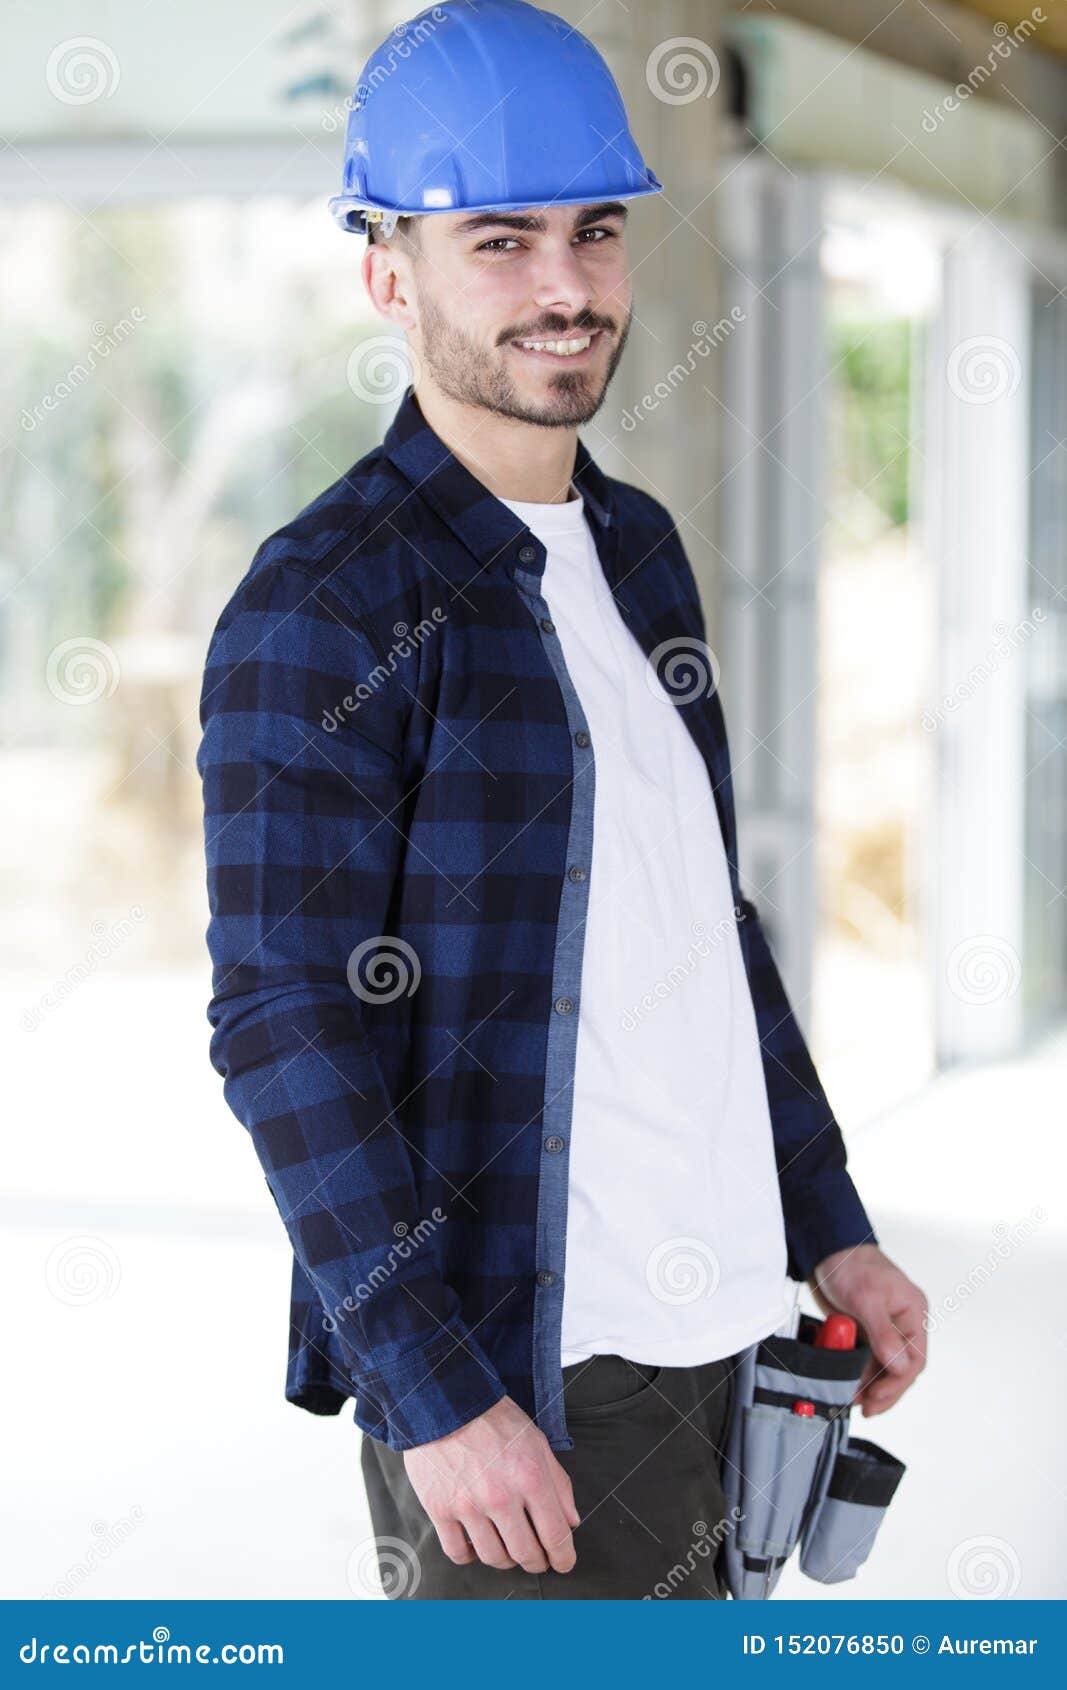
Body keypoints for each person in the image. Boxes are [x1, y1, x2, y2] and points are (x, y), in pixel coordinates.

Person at [197, 0, 927, 1600]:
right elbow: (280, 1018)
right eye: (500, 240)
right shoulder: (325, 602)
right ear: (388, 271)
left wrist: (832, 1224)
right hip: (527, 1379)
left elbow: (703, 932)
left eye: (593, 232)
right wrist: (438, 1391)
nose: (566, 285)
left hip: (730, 1352)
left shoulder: (642, 550)